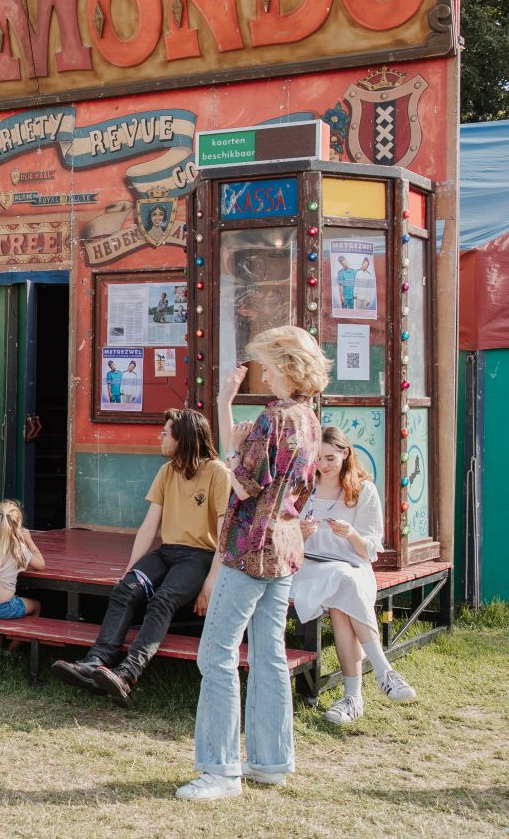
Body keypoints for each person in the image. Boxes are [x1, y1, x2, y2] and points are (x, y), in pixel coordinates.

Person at [177, 326, 328, 801]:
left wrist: (240, 441)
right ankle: (270, 760)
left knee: (216, 654)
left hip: (248, 545)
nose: (261, 371)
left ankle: (220, 770)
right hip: (283, 546)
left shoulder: (272, 420)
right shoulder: (309, 419)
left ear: (282, 365)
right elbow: (293, 488)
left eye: (265, 362)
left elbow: (240, 484)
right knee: (270, 655)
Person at [52, 409, 232, 706]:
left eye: (165, 434)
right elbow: (149, 526)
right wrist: (130, 569)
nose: (159, 438)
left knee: (163, 599)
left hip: (199, 557)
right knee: (126, 589)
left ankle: (126, 674)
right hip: (167, 551)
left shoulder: (218, 473)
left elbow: (226, 532)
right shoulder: (167, 471)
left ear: (183, 438)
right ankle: (94, 662)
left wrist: (212, 580)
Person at [294, 425, 417, 724]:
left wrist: (350, 534)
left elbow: (369, 551)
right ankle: (382, 671)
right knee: (343, 586)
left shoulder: (363, 491)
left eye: (330, 458)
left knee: (343, 592)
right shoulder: (304, 488)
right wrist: (301, 533)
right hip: (310, 567)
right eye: (318, 458)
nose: (323, 465)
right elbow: (288, 542)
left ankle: (354, 697)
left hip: (352, 564)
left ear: (345, 454)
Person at [0, 499, 46, 622]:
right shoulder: (18, 548)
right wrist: (29, 540)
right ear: (17, 527)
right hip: (6, 609)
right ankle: (19, 640)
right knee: (36, 605)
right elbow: (41, 565)